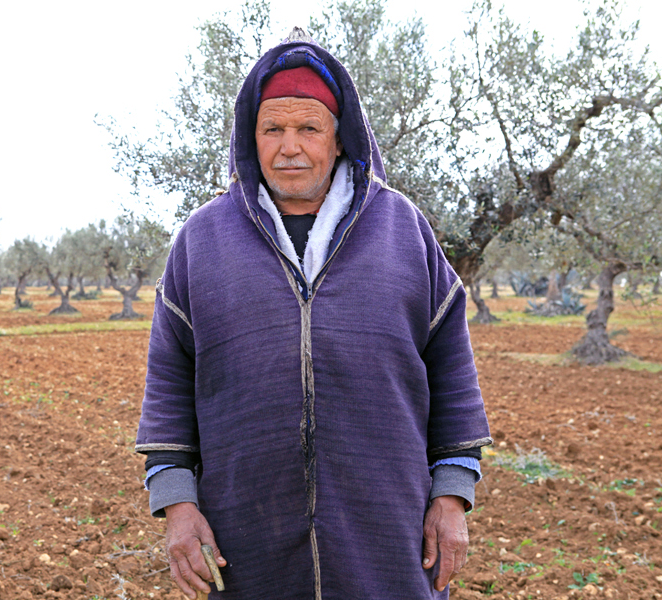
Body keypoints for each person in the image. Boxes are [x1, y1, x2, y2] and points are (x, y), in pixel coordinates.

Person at [136, 28, 491, 600]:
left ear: (340, 137)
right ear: (251, 139)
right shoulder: (202, 242)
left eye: (309, 128)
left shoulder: (403, 233)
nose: (289, 147)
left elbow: (451, 372)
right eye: (272, 129)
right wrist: (177, 506)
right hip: (245, 533)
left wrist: (451, 497)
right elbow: (169, 385)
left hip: (387, 534)